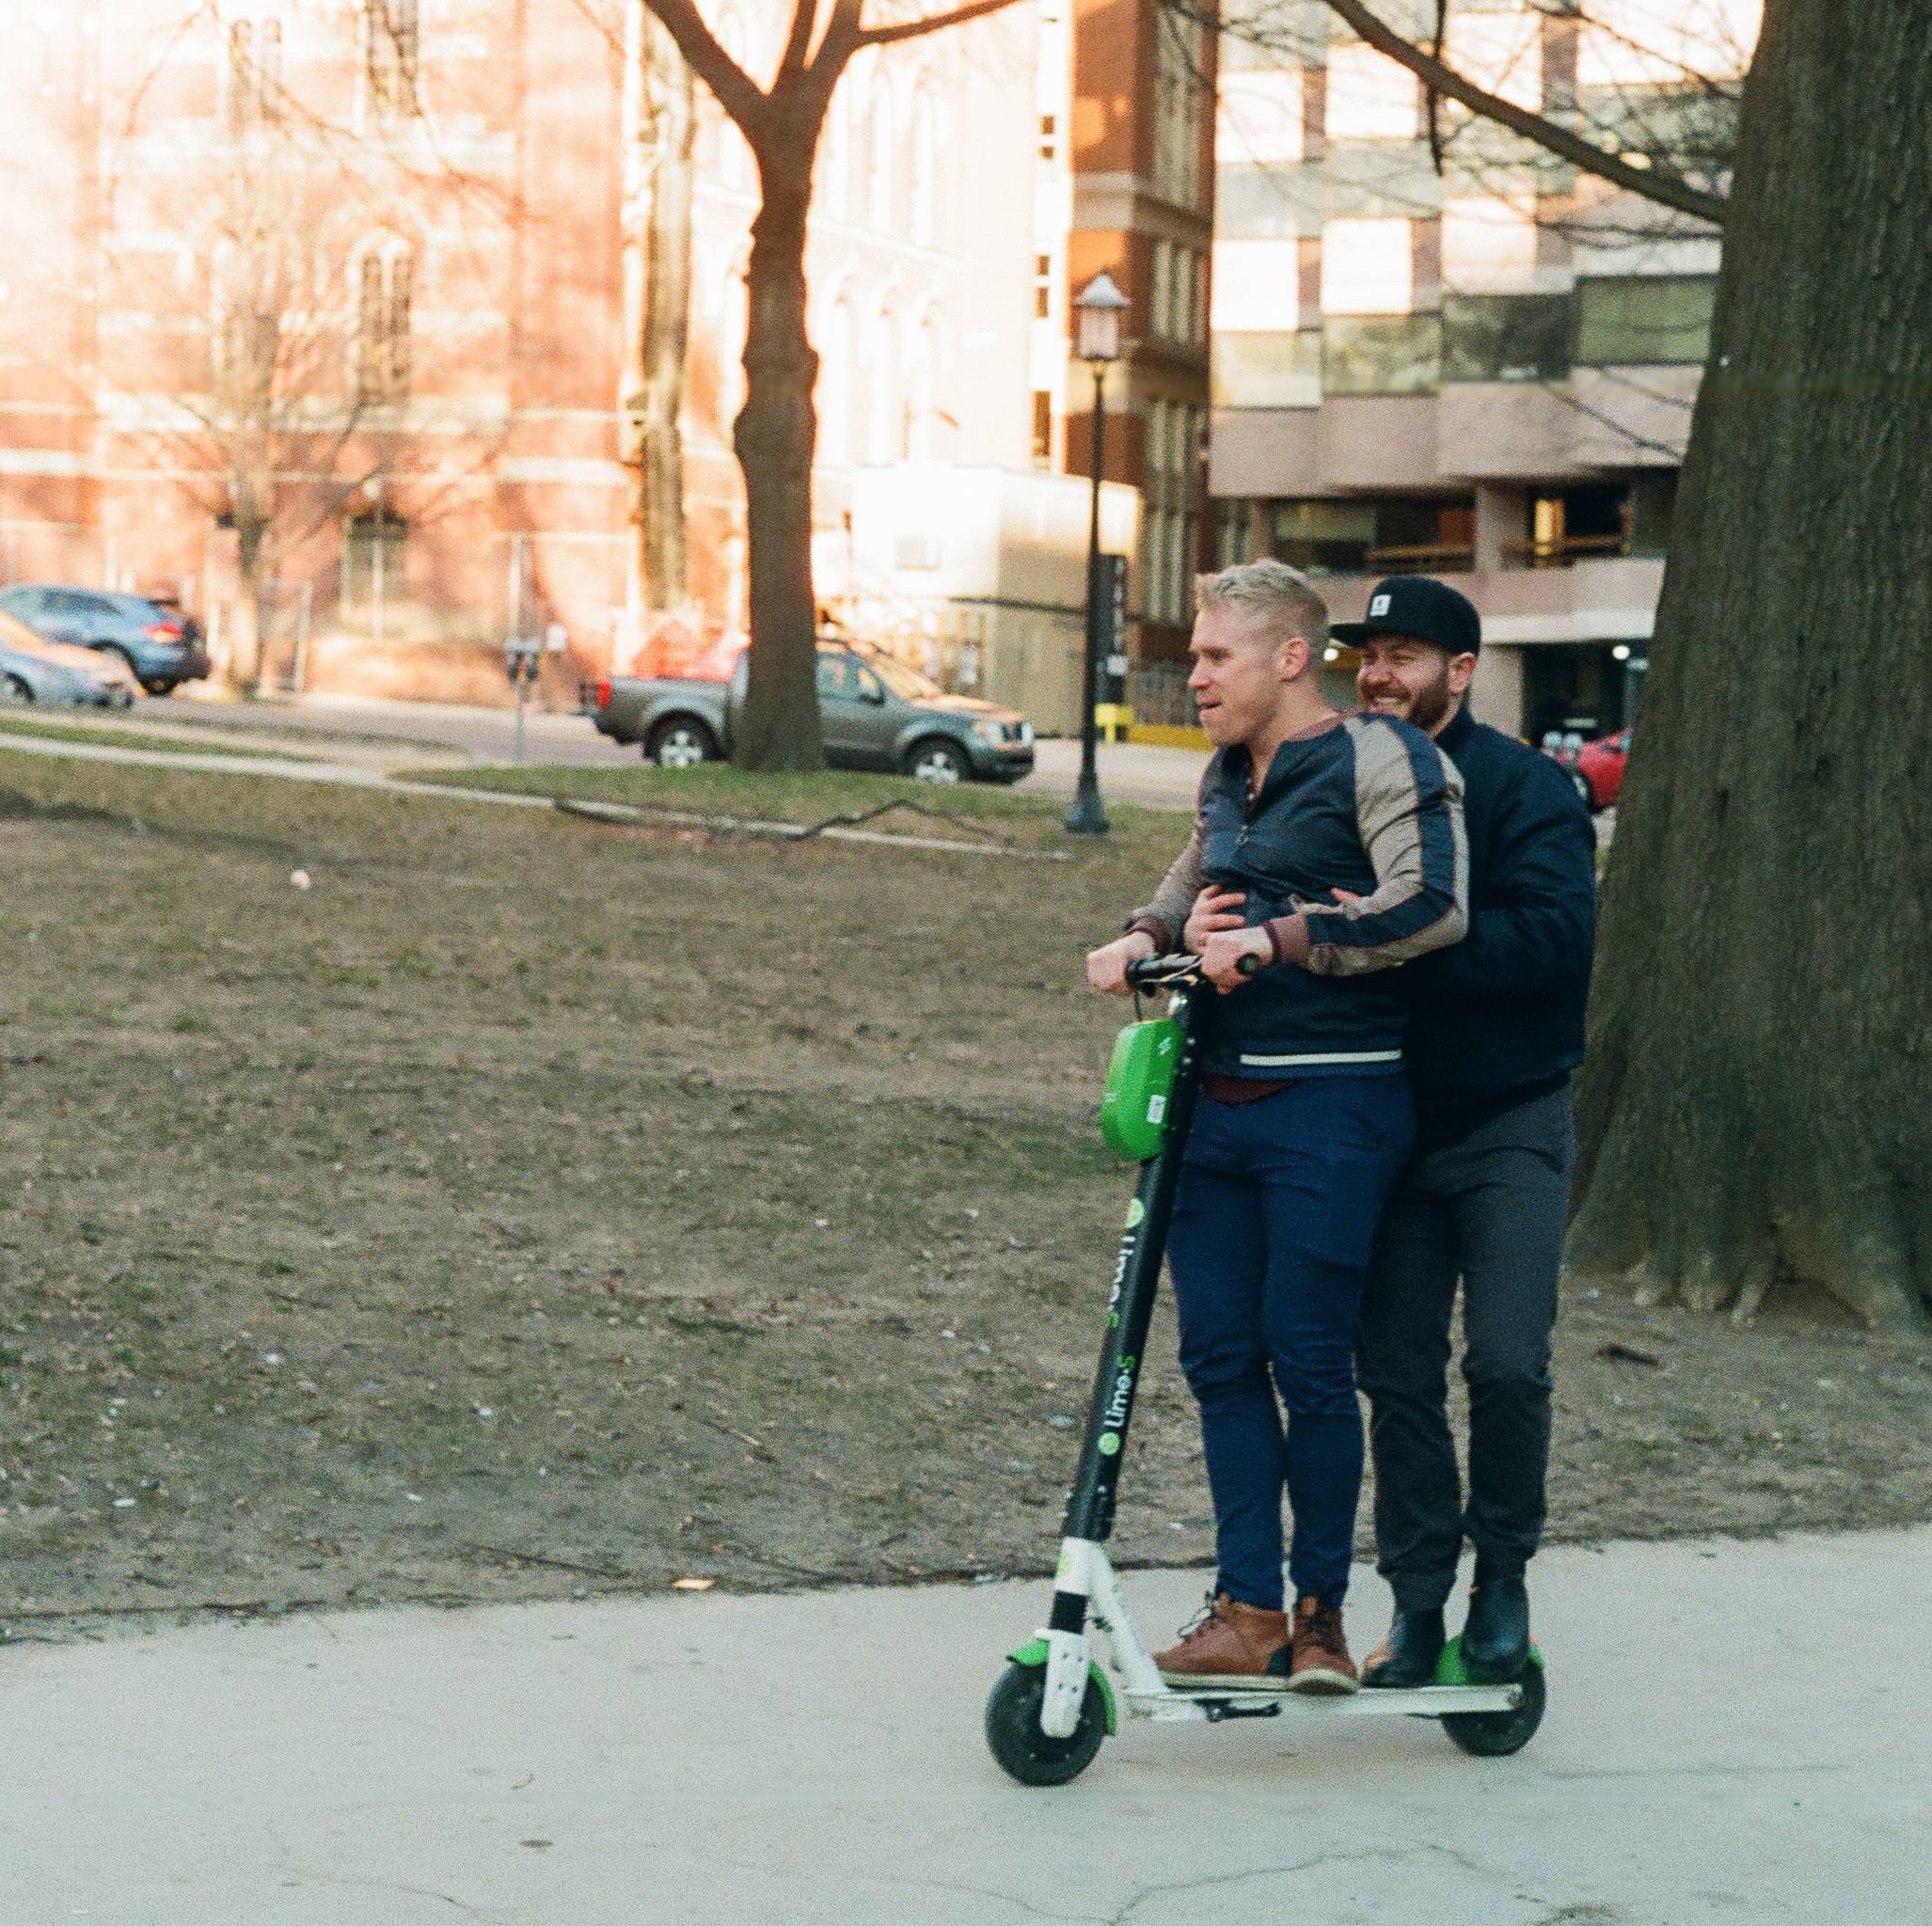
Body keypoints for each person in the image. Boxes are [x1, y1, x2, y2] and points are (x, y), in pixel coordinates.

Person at [1085, 560, 1467, 1695]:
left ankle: (1320, 1619)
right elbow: (1197, 871)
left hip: (1332, 1106)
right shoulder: (1224, 772)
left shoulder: (1381, 755)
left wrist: (1280, 939)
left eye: (1214, 656)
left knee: (1307, 1358)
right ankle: (1244, 1608)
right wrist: (1141, 931)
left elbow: (1433, 904)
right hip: (1212, 1108)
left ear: (1290, 657)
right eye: (1196, 656)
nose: (1194, 675)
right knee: (1216, 1360)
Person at [1329, 575, 1597, 1686]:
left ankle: (1502, 1581)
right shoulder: (1340, 781)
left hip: (1507, 1122)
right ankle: (1418, 1598)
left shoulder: (1527, 788)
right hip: (1386, 1125)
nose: (1379, 672)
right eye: (1369, 653)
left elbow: (1550, 943)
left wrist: (1405, 941)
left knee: (1503, 1362)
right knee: (1392, 1373)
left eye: (1405, 653)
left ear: (1462, 670)